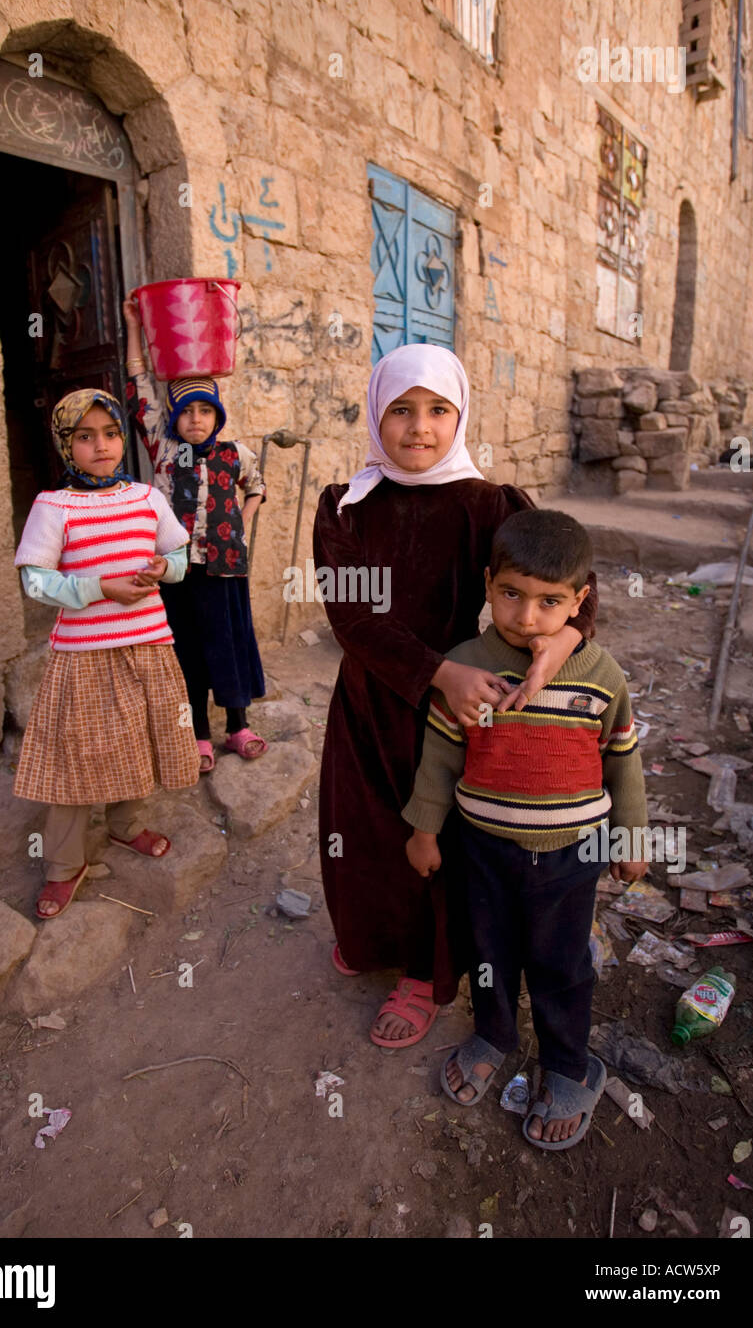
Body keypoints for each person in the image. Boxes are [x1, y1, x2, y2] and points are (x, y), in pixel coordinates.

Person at [313, 343, 599, 1049]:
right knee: (364, 833)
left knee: (432, 839)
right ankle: (369, 938)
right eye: (401, 410)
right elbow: (352, 618)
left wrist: (567, 637)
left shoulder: (489, 504)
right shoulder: (344, 507)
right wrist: (439, 671)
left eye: (438, 410)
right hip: (369, 704)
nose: (419, 428)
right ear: (377, 414)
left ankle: (424, 973)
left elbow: (562, 578)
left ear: (460, 414)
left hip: (456, 716)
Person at [403, 507, 648, 1148]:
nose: (526, 616)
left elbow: (622, 756)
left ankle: (569, 1064)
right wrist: (425, 829)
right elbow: (440, 755)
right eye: (511, 595)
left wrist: (633, 835)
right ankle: (493, 1034)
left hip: (573, 855)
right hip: (482, 848)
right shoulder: (466, 667)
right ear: (488, 584)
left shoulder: (600, 675)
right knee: (490, 951)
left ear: (580, 600)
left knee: (561, 962)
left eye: (549, 601)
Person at [13, 389, 200, 920]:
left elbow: (179, 555)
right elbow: (37, 582)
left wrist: (165, 570)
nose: (102, 445)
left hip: (149, 646)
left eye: (111, 433)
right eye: (85, 436)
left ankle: (124, 825)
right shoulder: (53, 506)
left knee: (139, 740)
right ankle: (63, 864)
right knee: (75, 758)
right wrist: (101, 587)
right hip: (85, 655)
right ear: (66, 446)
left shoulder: (147, 498)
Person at [123, 293, 268, 772]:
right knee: (188, 651)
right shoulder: (164, 449)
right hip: (178, 571)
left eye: (205, 411)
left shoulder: (234, 453)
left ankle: (238, 727)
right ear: (174, 418)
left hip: (225, 570)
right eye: (187, 412)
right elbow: (139, 386)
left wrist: (243, 525)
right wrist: (134, 327)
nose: (196, 420)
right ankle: (199, 735)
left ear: (217, 416)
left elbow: (257, 486)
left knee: (229, 645)